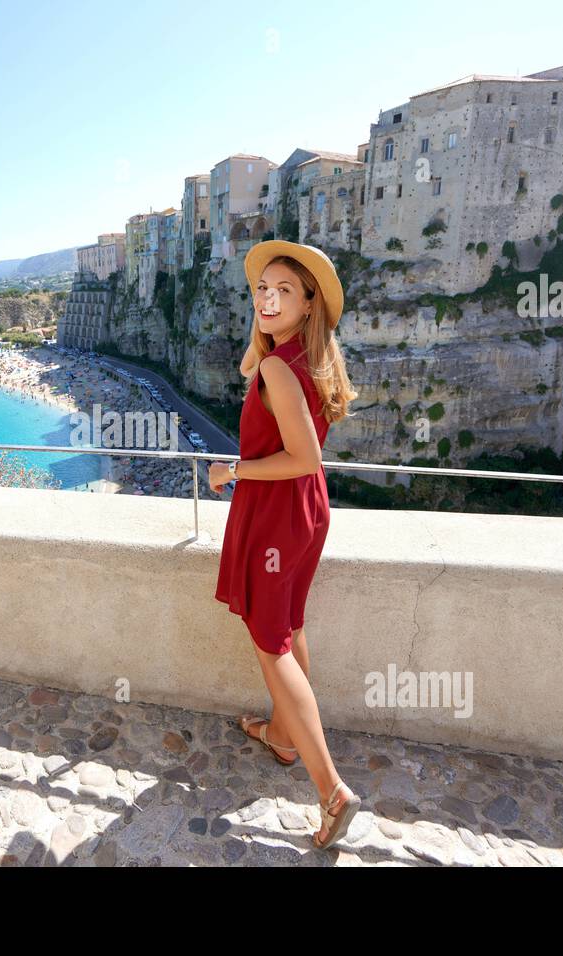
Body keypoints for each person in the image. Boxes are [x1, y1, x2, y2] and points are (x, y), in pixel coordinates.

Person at [210, 240, 362, 851]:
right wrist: (262, 345)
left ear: (307, 304)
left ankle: (331, 790)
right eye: (261, 290)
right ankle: (280, 733)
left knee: (270, 643)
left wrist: (232, 473)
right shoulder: (307, 357)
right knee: (290, 625)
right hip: (306, 513)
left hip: (274, 513)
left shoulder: (278, 367)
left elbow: (303, 456)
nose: (268, 299)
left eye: (284, 291)